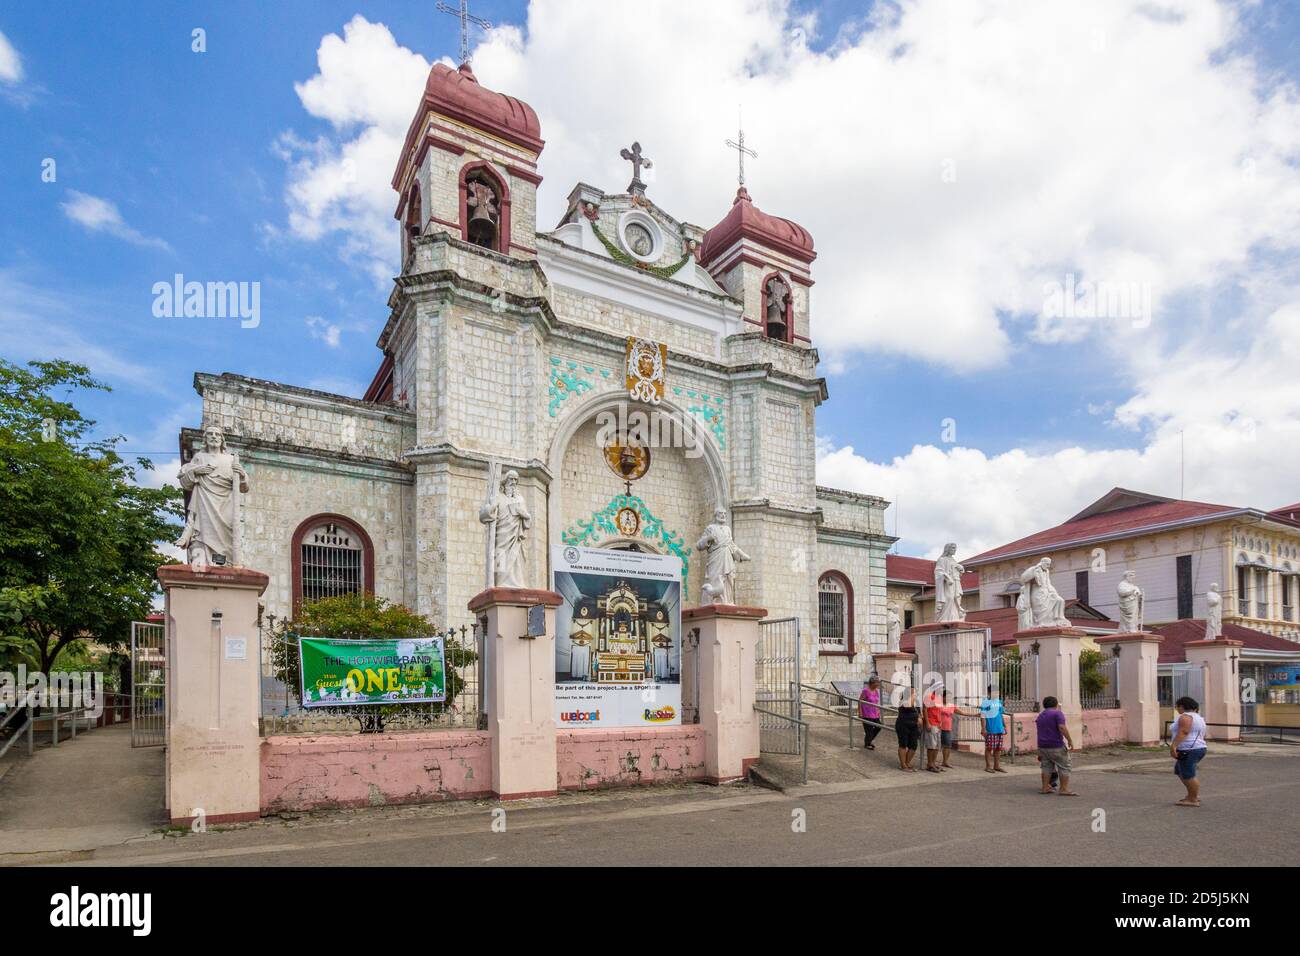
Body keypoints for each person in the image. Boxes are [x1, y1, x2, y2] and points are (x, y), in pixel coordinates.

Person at [1169, 696, 1208, 807]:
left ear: (1182, 706)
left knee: (1188, 774)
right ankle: (1191, 795)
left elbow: (1184, 732)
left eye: (1177, 706)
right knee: (1179, 770)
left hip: (1189, 749)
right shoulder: (1198, 718)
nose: (1177, 709)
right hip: (1197, 747)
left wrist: (1173, 747)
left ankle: (1193, 799)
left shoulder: (1185, 717)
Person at [1035, 696, 1077, 795]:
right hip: (1056, 745)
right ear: (1055, 704)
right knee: (1064, 766)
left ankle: (1045, 787)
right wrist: (1070, 740)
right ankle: (1064, 789)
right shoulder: (1057, 713)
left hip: (1043, 746)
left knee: (1046, 767)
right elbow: (1062, 727)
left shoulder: (1040, 715)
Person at [979, 685, 1008, 773]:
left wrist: (1004, 726)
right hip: (990, 729)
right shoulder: (985, 703)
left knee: (998, 748)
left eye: (997, 692)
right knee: (989, 748)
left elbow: (1001, 715)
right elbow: (983, 716)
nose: (996, 693)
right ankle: (988, 766)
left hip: (999, 729)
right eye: (993, 692)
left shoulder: (999, 702)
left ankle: (997, 766)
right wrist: (983, 729)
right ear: (989, 693)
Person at [895, 686, 922, 772]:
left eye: (915, 692)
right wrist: (912, 697)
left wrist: (920, 718)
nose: (915, 693)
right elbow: (907, 705)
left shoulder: (916, 702)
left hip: (914, 726)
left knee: (913, 745)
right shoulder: (904, 701)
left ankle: (907, 762)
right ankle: (903, 765)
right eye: (912, 692)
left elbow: (919, 713)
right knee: (903, 744)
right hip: (903, 724)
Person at [859, 677, 883, 750]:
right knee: (868, 730)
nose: (878, 684)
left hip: (875, 713)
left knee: (879, 726)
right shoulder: (865, 691)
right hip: (867, 713)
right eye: (877, 683)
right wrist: (860, 712)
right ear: (872, 683)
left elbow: (876, 702)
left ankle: (868, 740)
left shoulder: (876, 691)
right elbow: (860, 701)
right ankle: (867, 743)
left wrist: (878, 711)